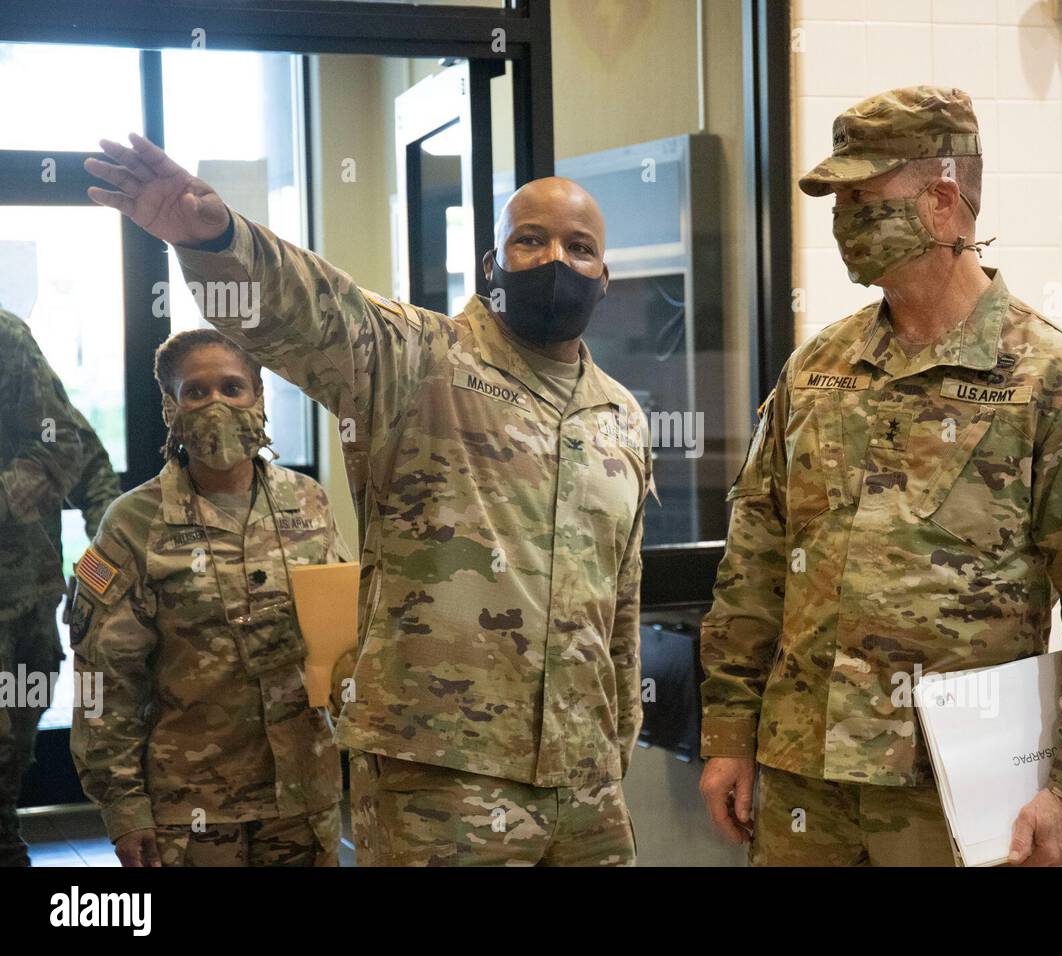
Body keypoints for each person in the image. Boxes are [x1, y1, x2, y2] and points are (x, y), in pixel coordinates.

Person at [84, 135, 653, 866]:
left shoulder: (622, 417)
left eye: (579, 248)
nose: (555, 262)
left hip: (586, 784)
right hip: (443, 779)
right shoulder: (419, 361)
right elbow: (316, 311)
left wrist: (617, 737)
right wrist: (217, 239)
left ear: (604, 274)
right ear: (493, 265)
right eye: (530, 241)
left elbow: (622, 599)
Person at [698, 86, 1062, 867]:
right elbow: (756, 562)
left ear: (943, 204)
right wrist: (729, 733)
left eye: (863, 199)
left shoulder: (1053, 382)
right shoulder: (818, 368)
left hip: (958, 796)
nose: (844, 223)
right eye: (838, 203)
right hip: (805, 779)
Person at [69, 329, 349, 867]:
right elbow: (105, 676)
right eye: (197, 393)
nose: (216, 404)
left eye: (232, 387)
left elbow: (338, 641)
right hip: (191, 805)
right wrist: (124, 806)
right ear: (172, 408)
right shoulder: (134, 523)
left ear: (259, 396)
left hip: (302, 795)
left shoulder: (308, 503)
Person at [0, 308, 115, 867]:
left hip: (15, 594)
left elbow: (72, 452)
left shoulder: (6, 340)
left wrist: (101, 576)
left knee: (8, 745)